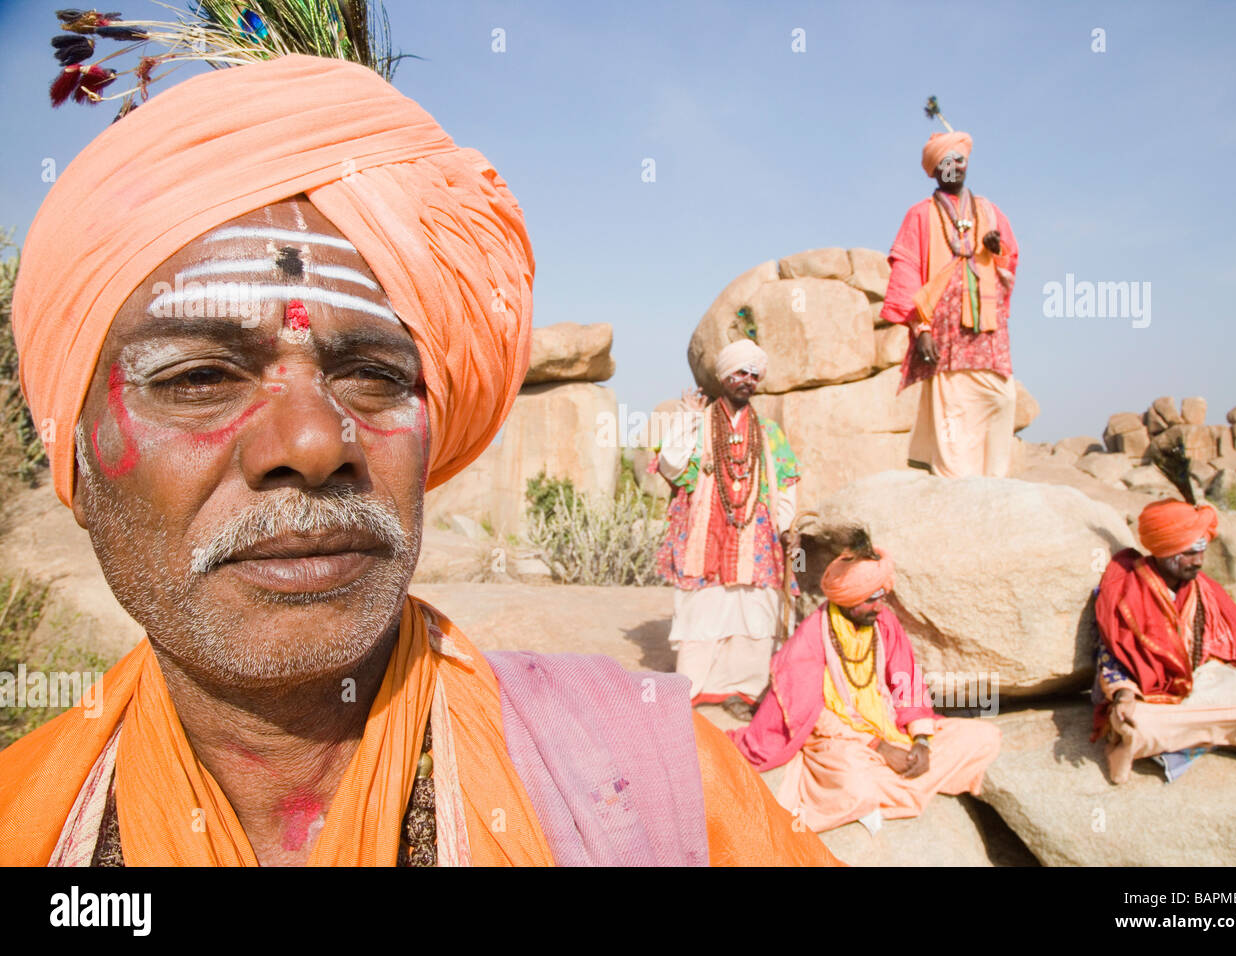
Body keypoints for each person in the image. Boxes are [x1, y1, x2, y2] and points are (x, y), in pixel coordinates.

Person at [0, 56, 838, 867]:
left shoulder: (655, 784)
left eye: (372, 376)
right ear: (72, 449)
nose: (314, 443)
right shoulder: (21, 818)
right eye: (201, 379)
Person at [730, 539, 1000, 833]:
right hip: (842, 740)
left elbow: (906, 684)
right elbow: (811, 714)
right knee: (856, 788)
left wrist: (921, 741)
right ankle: (894, 789)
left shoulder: (884, 622)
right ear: (847, 600)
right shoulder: (811, 636)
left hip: (892, 728)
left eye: (882, 595)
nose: (879, 605)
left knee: (985, 736)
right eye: (871, 599)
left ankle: (892, 787)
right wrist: (878, 746)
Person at [1094, 499, 1236, 784]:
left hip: (1203, 685)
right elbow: (1111, 653)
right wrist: (1123, 695)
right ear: (1164, 549)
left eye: (1201, 551)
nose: (1198, 561)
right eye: (1189, 553)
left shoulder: (1205, 588)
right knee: (1137, 722)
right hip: (1151, 694)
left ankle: (1204, 736)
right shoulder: (1124, 587)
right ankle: (1234, 737)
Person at [655, 339, 801, 720]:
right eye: (739, 373)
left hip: (756, 529)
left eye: (753, 375)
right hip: (706, 525)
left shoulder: (769, 431)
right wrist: (687, 418)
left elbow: (785, 481)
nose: (746, 380)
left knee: (753, 607)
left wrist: (785, 524)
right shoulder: (698, 421)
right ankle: (693, 686)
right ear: (724, 377)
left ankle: (745, 690)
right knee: (705, 605)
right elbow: (671, 465)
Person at [880, 129, 1020, 478]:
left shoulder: (989, 210)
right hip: (943, 329)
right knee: (952, 408)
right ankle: (955, 482)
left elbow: (1009, 258)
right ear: (933, 169)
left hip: (987, 331)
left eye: (959, 160)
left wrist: (994, 247)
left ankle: (993, 480)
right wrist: (921, 327)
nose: (954, 167)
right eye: (945, 162)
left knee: (1002, 399)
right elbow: (907, 269)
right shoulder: (919, 214)